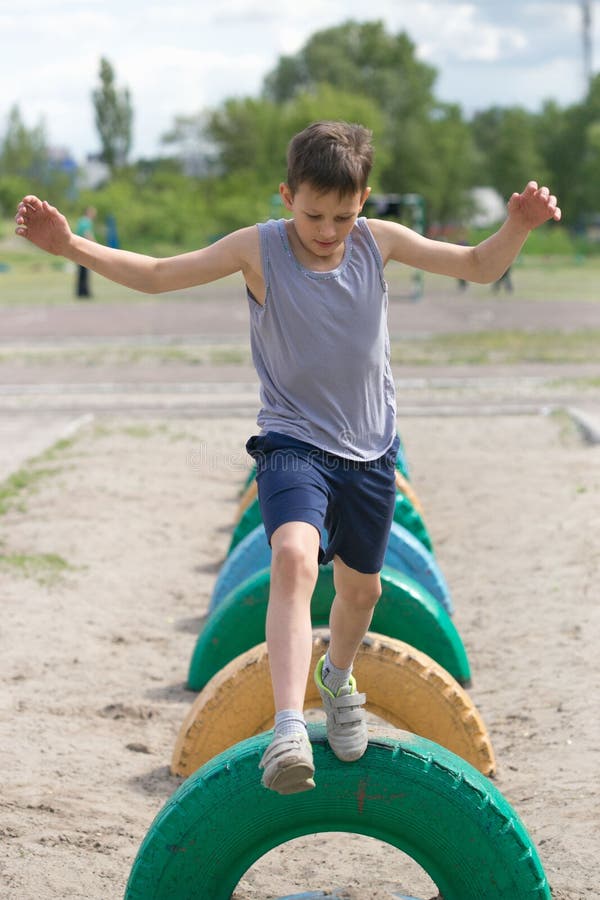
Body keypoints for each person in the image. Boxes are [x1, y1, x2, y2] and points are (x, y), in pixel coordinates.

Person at [14, 121, 561, 795]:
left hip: (370, 451)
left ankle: (338, 682)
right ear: (286, 195)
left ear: (365, 201)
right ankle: (287, 727)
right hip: (292, 443)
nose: (327, 230)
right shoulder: (261, 249)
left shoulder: (376, 243)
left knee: (362, 592)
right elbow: (158, 275)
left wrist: (520, 226)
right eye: (312, 213)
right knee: (294, 558)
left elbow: (479, 266)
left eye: (343, 214)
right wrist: (68, 244)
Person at [74, 206, 97, 298]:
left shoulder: (81, 221)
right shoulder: (87, 222)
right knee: (85, 272)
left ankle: (80, 292)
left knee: (81, 272)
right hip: (85, 249)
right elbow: (87, 234)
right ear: (89, 213)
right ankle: (85, 292)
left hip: (78, 249)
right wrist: (96, 245)